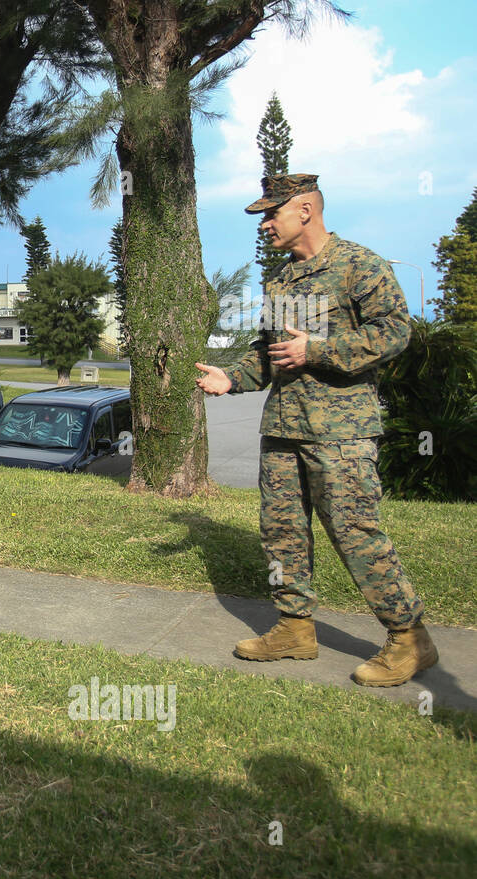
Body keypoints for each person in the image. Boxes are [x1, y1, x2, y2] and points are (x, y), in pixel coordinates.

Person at [195, 173, 438, 687]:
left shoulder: (358, 265)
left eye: (271, 213)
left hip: (341, 432)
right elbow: (272, 353)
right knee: (281, 533)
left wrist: (320, 350)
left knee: (356, 533)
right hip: (284, 427)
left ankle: (410, 638)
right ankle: (294, 628)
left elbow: (395, 330)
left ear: (305, 210)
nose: (263, 224)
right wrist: (232, 378)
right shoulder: (281, 280)